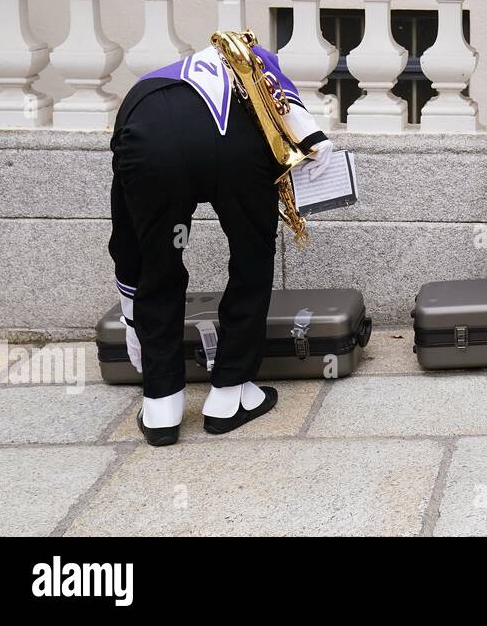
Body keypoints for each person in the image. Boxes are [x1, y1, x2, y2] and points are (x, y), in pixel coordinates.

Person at [109, 35, 333, 445]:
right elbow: (290, 112)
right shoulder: (257, 69)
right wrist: (314, 142)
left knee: (157, 262)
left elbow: (125, 242)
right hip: (239, 147)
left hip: (151, 137)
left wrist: (132, 319)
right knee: (251, 259)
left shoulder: (152, 86)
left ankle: (161, 405)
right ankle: (230, 394)